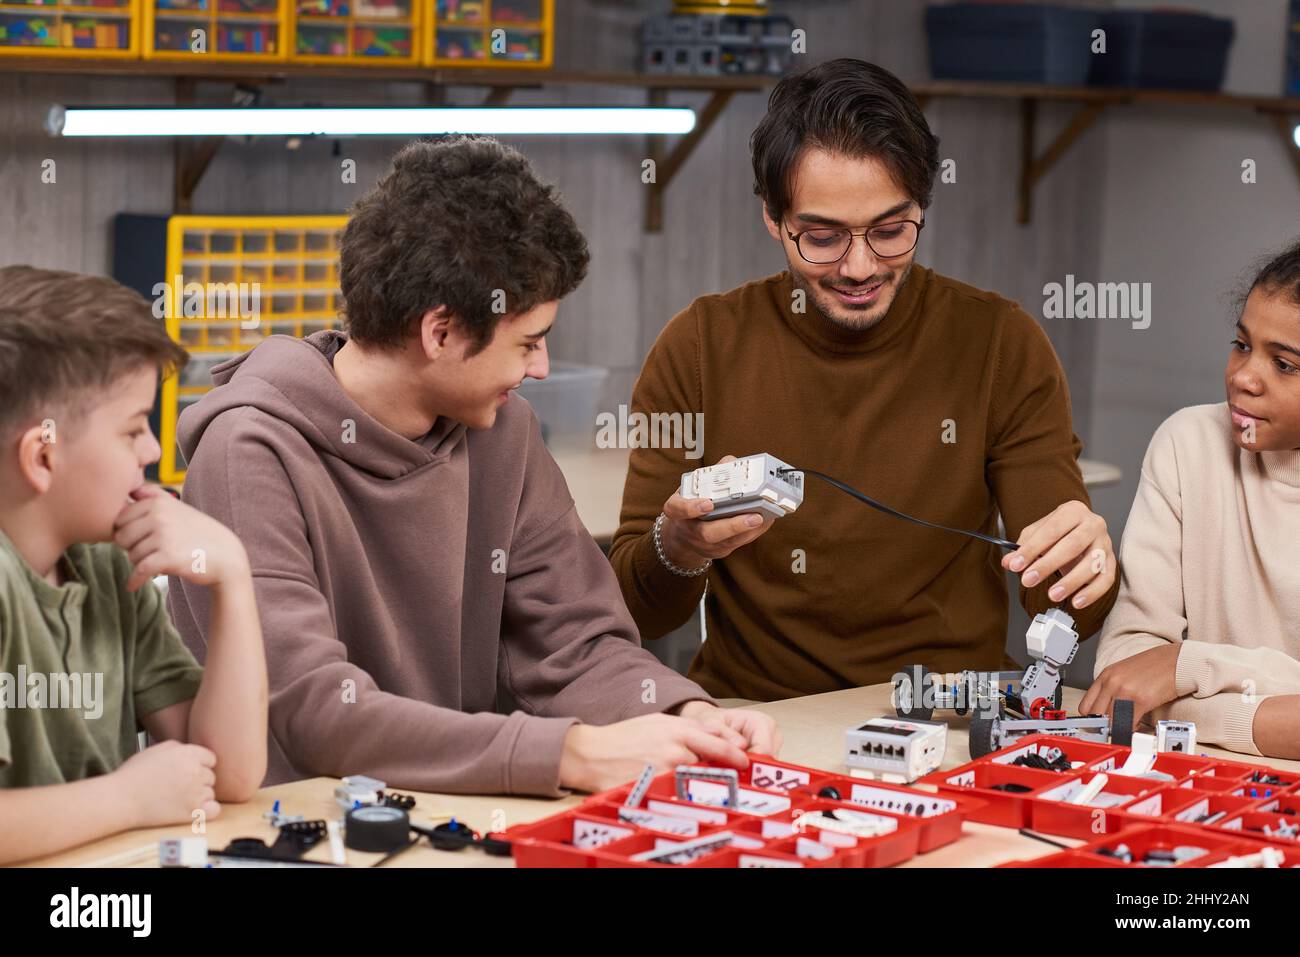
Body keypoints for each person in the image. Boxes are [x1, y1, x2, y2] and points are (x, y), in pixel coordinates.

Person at [170, 137, 780, 797]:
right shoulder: (247, 452)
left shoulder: (503, 432)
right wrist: (566, 755)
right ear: (440, 332)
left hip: (450, 817)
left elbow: (573, 641)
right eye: (529, 341)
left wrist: (678, 715)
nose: (541, 367)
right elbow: (318, 713)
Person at [611, 58, 1119, 700]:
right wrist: (677, 547)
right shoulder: (699, 346)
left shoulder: (1000, 343)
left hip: (948, 717)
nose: (859, 267)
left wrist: (1086, 565)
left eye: (890, 232)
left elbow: (1074, 612)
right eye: (820, 236)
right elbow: (638, 611)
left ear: (923, 208)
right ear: (773, 217)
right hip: (762, 717)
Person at [0, 266, 266, 864]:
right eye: (131, 430)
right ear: (42, 456)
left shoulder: (107, 567)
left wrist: (234, 577)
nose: (153, 449)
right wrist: (128, 799)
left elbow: (228, 776)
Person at [1083, 241, 1300, 758]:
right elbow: (1124, 675)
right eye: (1242, 344)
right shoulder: (1188, 442)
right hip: (1195, 777)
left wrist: (1185, 666)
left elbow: (1151, 686)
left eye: (1285, 365)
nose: (1244, 377)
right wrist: (1271, 719)